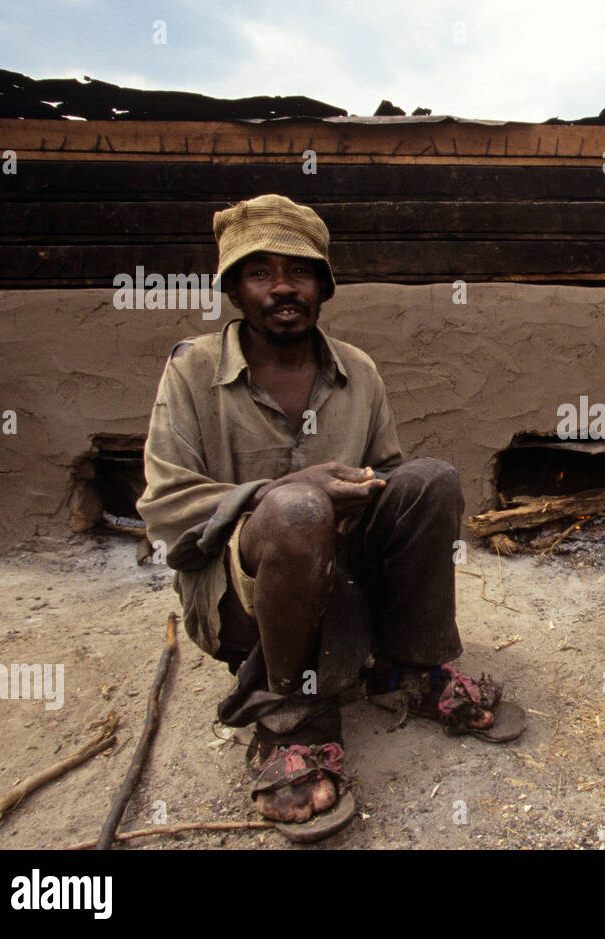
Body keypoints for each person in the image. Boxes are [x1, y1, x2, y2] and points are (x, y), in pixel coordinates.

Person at [137, 194, 524, 840]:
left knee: (430, 480)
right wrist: (284, 496)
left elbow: (392, 488)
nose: (283, 288)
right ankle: (290, 713)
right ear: (233, 286)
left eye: (301, 271)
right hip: (245, 603)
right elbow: (164, 508)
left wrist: (361, 499)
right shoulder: (192, 373)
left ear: (323, 285)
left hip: (345, 590)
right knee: (294, 511)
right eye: (261, 272)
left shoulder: (358, 373)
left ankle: (408, 668)